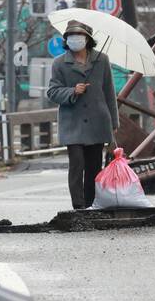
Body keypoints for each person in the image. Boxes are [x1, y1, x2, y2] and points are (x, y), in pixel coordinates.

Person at [46, 20, 119, 209]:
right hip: (73, 124)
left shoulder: (102, 60)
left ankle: (91, 204)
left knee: (94, 167)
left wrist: (113, 125)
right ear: (66, 40)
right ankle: (78, 207)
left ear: (87, 39)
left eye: (78, 35)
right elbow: (52, 92)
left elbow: (109, 93)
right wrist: (72, 91)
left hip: (97, 122)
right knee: (77, 164)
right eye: (70, 36)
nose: (74, 39)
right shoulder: (59, 63)